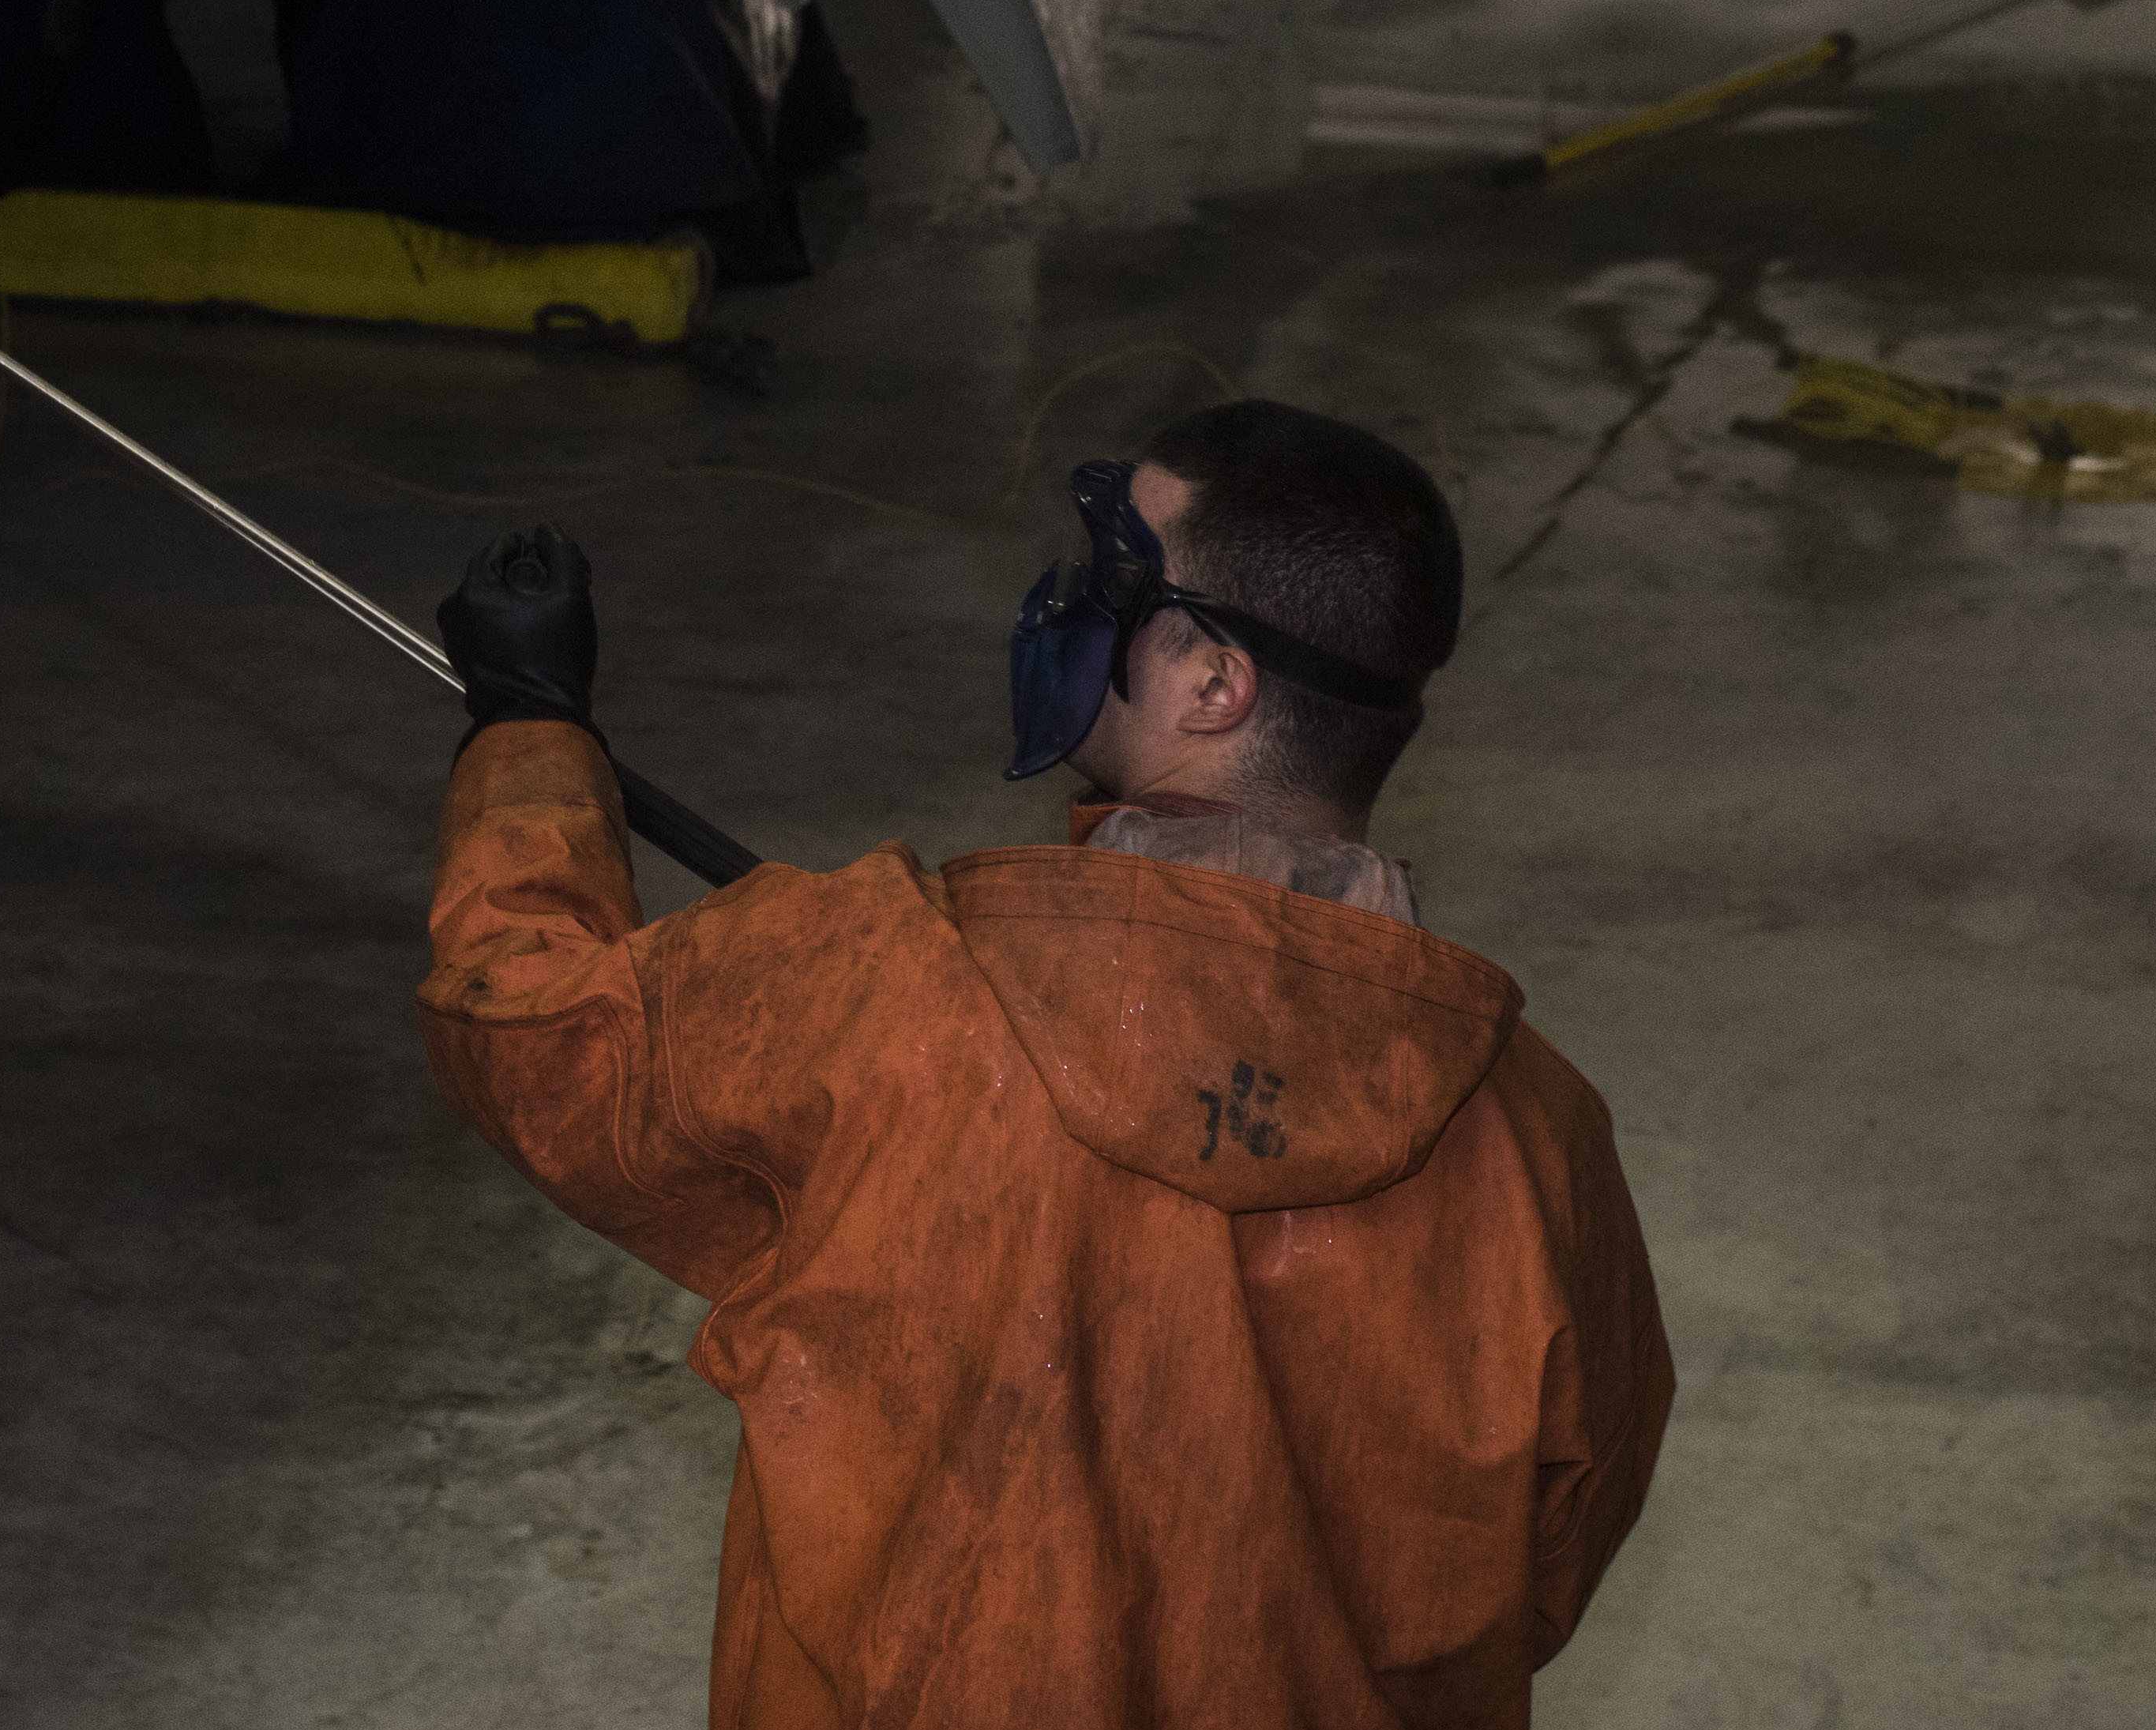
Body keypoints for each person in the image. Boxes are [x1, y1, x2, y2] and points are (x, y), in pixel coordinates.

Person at [418, 401, 1669, 1725]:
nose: (1073, 603)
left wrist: (528, 725)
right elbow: (1547, 1559)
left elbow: (533, 1030)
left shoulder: (881, 991)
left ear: (1213, 681)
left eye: (1119, 579)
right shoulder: (1538, 1137)